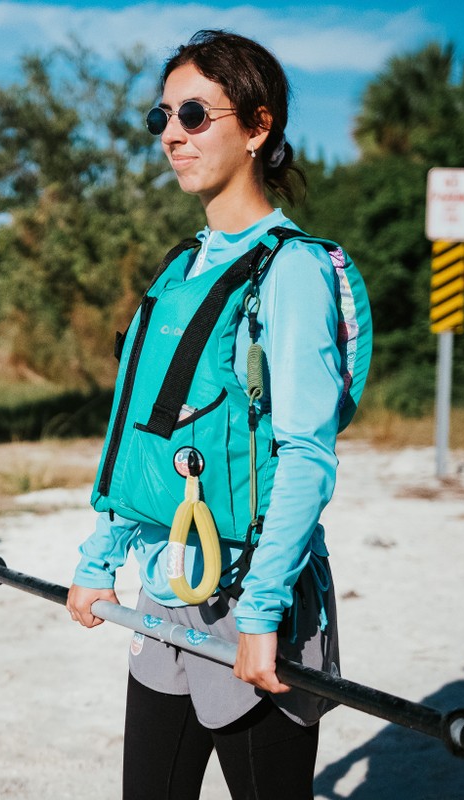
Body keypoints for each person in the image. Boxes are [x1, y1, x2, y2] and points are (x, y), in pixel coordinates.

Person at [67, 29, 369, 800]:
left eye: (196, 114)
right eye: (163, 116)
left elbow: (307, 456)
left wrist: (263, 613)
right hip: (165, 586)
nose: (172, 134)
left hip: (252, 599)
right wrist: (100, 560)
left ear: (258, 126)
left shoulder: (291, 270)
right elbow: (145, 434)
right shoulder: (182, 266)